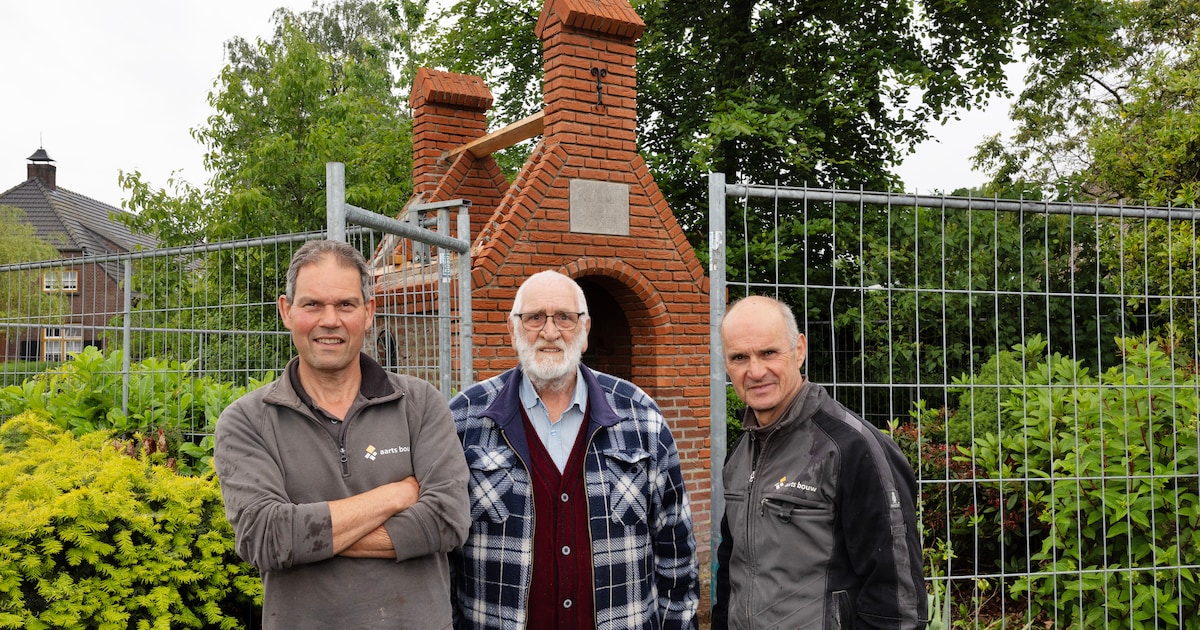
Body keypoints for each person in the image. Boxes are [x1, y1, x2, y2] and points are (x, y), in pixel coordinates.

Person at [214, 239, 470, 629]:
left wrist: (308, 536)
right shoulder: (248, 422)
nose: (329, 320)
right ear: (287, 311)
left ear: (368, 313)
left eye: (346, 305)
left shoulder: (419, 404)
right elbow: (267, 538)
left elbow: (448, 520)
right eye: (312, 304)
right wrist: (394, 495)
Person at [448, 269, 700, 630]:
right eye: (535, 317)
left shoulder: (640, 416)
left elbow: (676, 550)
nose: (550, 332)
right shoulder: (465, 418)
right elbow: (442, 557)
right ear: (512, 329)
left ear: (584, 331)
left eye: (565, 317)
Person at [712, 295, 927, 630]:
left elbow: (897, 600)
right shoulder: (742, 452)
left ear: (799, 349)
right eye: (739, 357)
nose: (755, 371)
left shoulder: (853, 448)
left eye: (768, 352)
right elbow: (731, 567)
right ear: (727, 364)